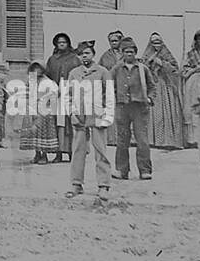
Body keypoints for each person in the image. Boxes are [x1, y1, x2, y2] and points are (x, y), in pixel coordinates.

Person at [65, 41, 114, 202]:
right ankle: (76, 183)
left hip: (97, 115)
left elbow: (109, 95)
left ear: (93, 54)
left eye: (86, 53)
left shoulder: (102, 72)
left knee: (100, 150)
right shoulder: (74, 73)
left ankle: (103, 185)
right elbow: (69, 96)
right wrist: (72, 113)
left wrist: (107, 115)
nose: (83, 56)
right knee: (78, 150)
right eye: (80, 54)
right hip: (80, 116)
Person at [111, 38, 154, 180]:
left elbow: (152, 86)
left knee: (142, 139)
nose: (129, 54)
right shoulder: (117, 69)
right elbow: (109, 85)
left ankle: (145, 170)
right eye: (126, 51)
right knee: (122, 139)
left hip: (139, 107)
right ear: (122, 53)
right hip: (122, 107)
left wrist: (149, 98)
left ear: (136, 53)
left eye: (131, 51)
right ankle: (122, 170)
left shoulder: (143, 69)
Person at [141, 31, 185, 150]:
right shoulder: (147, 55)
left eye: (158, 42)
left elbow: (175, 70)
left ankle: (168, 140)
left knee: (167, 113)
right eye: (154, 43)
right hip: (153, 86)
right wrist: (149, 63)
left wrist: (162, 63)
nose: (156, 45)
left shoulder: (167, 54)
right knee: (153, 114)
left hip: (166, 86)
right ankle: (152, 140)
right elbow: (142, 69)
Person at [43, 33, 78, 162]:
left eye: (64, 42)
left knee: (69, 124)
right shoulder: (52, 59)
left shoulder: (74, 59)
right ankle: (58, 153)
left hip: (70, 95)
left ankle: (70, 152)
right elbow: (47, 76)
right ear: (56, 44)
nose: (62, 44)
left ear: (68, 43)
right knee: (57, 123)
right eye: (59, 42)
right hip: (56, 95)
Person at [18, 60, 60, 164]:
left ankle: (44, 155)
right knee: (33, 132)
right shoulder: (31, 80)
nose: (37, 71)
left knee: (42, 132)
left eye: (39, 68)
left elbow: (54, 95)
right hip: (32, 108)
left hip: (44, 109)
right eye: (34, 69)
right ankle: (37, 154)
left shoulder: (48, 82)